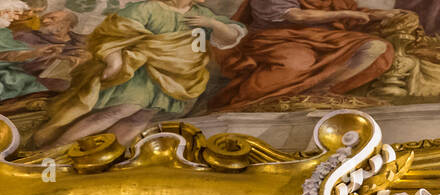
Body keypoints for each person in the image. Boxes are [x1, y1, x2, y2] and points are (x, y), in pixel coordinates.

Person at [33, 0, 246, 147]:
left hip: (176, 77)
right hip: (141, 71)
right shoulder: (147, 8)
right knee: (119, 110)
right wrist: (114, 61)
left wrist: (213, 23)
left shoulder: (202, 15)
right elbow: (112, 34)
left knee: (141, 117)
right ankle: (58, 147)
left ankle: (108, 153)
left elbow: (230, 36)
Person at [209, 0, 400, 111]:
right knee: (298, 63)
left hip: (326, 37)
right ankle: (254, 99)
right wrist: (343, 13)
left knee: (375, 48)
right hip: (276, 38)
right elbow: (295, 16)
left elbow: (354, 12)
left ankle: (320, 90)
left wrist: (382, 15)